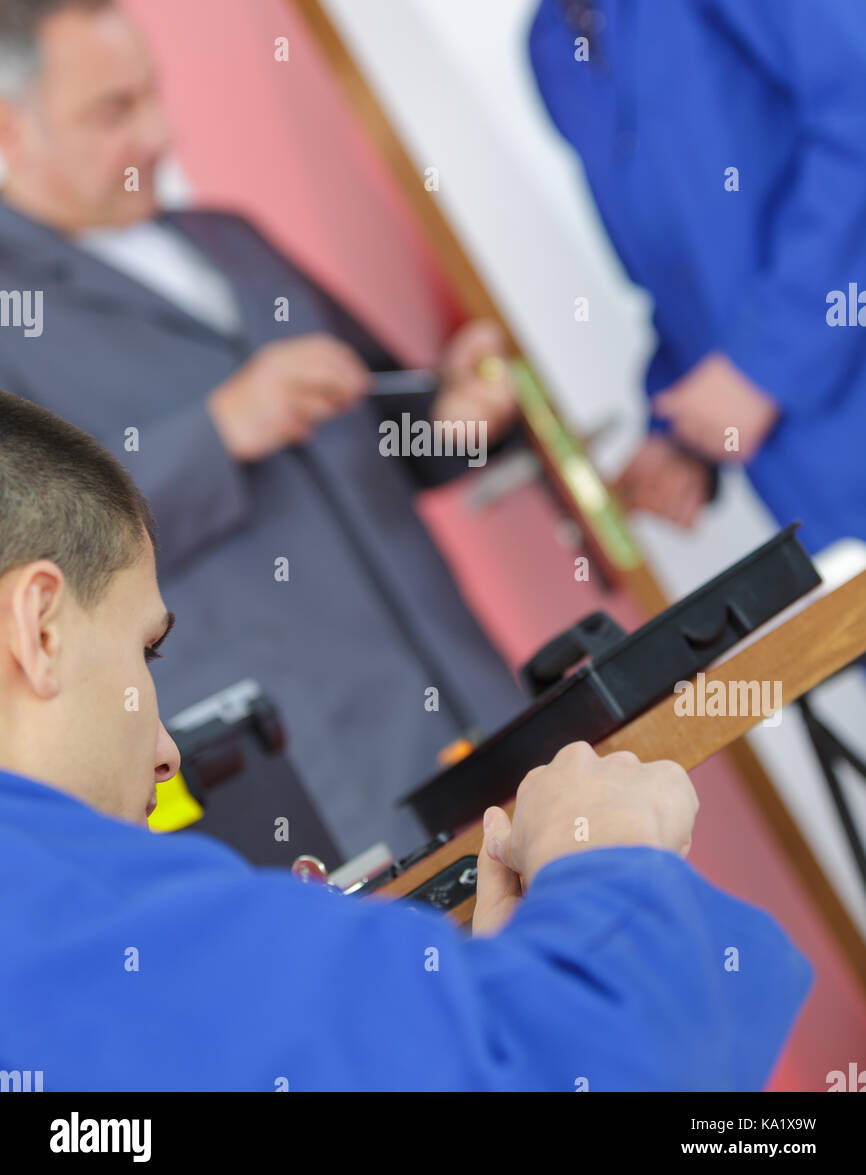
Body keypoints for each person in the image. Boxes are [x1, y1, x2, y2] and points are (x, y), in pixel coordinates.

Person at [0, 390, 810, 1090]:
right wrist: (610, 863)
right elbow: (611, 1064)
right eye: (147, 651)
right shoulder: (109, 931)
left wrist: (480, 999)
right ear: (40, 628)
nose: (167, 753)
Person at [0, 0, 524, 861]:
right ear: (12, 130)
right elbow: (29, 563)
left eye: (152, 95)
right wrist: (222, 429)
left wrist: (462, 414)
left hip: (481, 707)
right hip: (327, 784)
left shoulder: (230, 239)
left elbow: (387, 427)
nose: (160, 133)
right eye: (111, 111)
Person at [355, 0, 866, 547]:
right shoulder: (549, 45)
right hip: (814, 496)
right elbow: (674, 272)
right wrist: (677, 430)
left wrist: (763, 368)